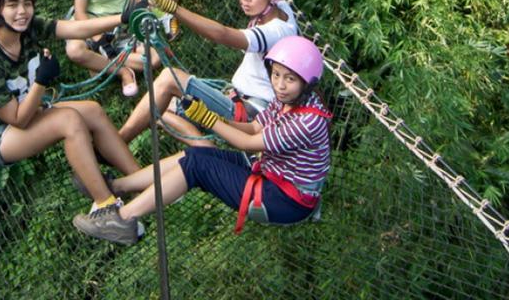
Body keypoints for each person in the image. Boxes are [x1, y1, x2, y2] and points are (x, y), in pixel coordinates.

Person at [73, 35, 332, 244]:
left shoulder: (307, 121)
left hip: (285, 200)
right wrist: (206, 115)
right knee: (195, 155)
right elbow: (252, 127)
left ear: (307, 83)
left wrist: (209, 120)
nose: (280, 85)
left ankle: (121, 219)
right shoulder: (286, 102)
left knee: (197, 167)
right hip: (269, 176)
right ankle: (117, 186)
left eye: (290, 79)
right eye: (276, 75)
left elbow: (247, 143)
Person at [0, 0, 143, 238]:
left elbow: (74, 28)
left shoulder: (28, 29)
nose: (22, 11)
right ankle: (105, 210)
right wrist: (41, 81)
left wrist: (122, 18)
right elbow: (18, 119)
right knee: (69, 120)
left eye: (27, 3)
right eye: (12, 4)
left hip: (28, 110)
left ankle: (142, 182)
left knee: (93, 112)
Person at [116, 0, 297, 145]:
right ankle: (206, 150)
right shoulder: (280, 9)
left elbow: (221, 34)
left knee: (169, 78)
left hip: (250, 114)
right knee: (162, 106)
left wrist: (170, 7)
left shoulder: (276, 32)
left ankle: (116, 144)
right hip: (239, 98)